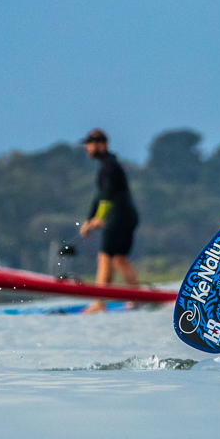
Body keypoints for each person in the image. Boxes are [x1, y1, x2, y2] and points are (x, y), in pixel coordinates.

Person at [76, 128, 139, 309]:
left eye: (89, 144)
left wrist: (100, 218)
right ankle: (138, 297)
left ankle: (99, 302)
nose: (87, 148)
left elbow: (108, 195)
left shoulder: (109, 166)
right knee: (118, 258)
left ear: (101, 145)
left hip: (119, 217)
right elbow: (100, 196)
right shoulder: (106, 165)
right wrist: (89, 219)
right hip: (125, 217)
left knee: (104, 257)